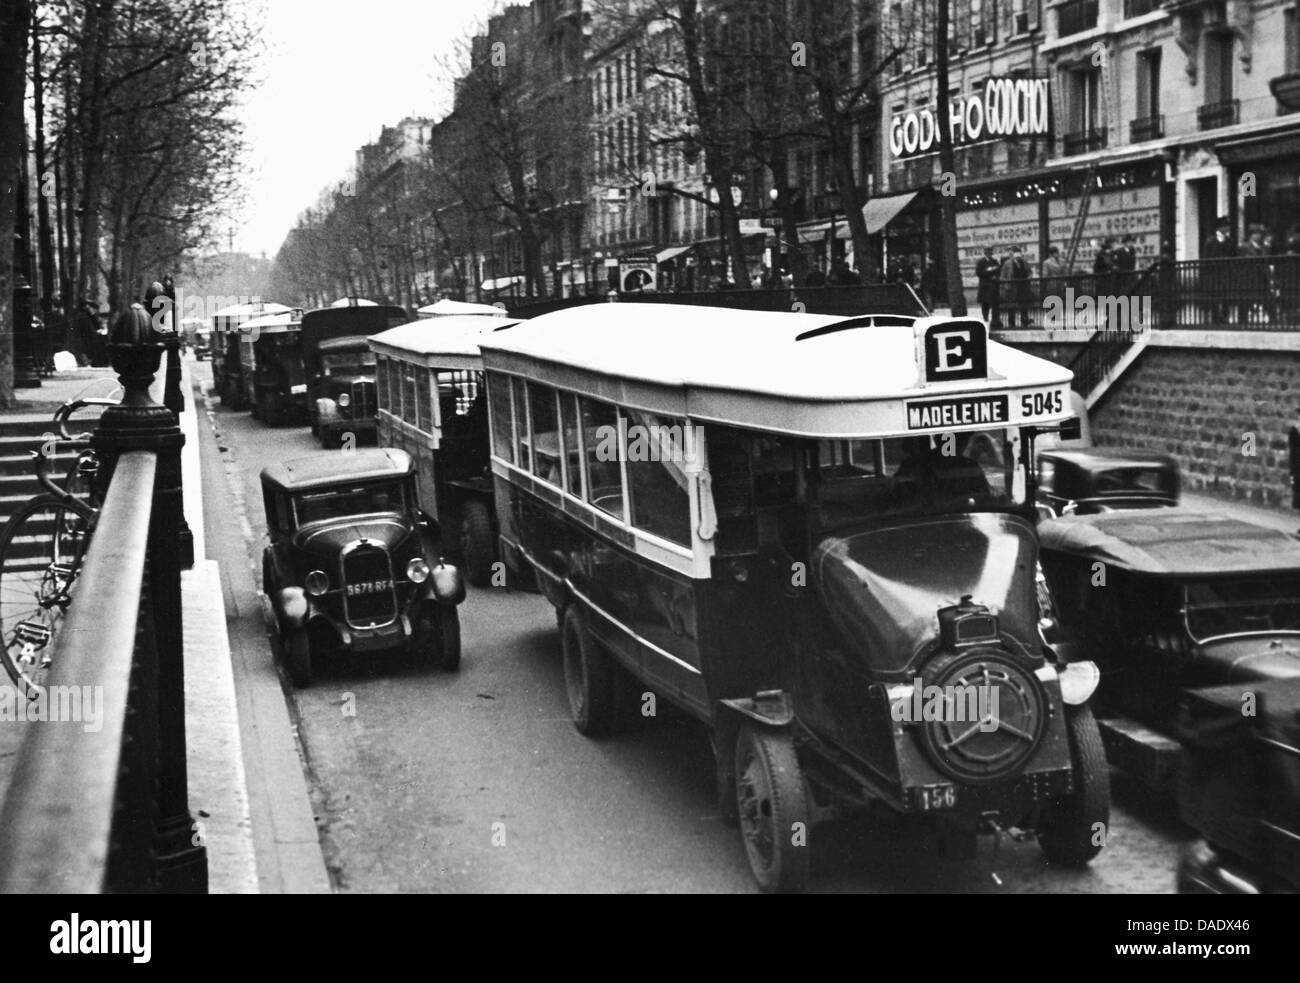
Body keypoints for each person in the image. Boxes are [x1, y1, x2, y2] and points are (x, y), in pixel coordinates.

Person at [1202, 219, 1236, 324]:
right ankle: (1215, 317)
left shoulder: (1230, 241)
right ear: (1220, 228)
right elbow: (1206, 259)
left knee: (1226, 296)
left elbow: (1233, 256)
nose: (1228, 228)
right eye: (1226, 226)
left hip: (1226, 273)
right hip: (1214, 273)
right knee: (1215, 296)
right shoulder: (1210, 242)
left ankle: (1225, 317)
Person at [1000, 245, 1032, 329]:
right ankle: (1011, 323)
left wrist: (1029, 278)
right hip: (1012, 287)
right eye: (1016, 253)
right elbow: (1003, 276)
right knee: (1011, 306)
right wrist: (1006, 285)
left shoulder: (1024, 262)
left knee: (1023, 305)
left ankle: (1024, 321)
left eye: (1019, 253)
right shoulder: (1007, 263)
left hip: (1023, 287)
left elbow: (1029, 272)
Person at [975, 246, 1002, 326]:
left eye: (990, 252)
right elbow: (979, 273)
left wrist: (995, 274)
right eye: (988, 252)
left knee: (994, 303)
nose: (989, 254)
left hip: (993, 285)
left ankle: (995, 319)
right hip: (985, 285)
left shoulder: (995, 261)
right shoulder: (981, 262)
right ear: (985, 253)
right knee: (985, 303)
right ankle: (985, 317)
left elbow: (999, 270)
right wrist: (989, 272)